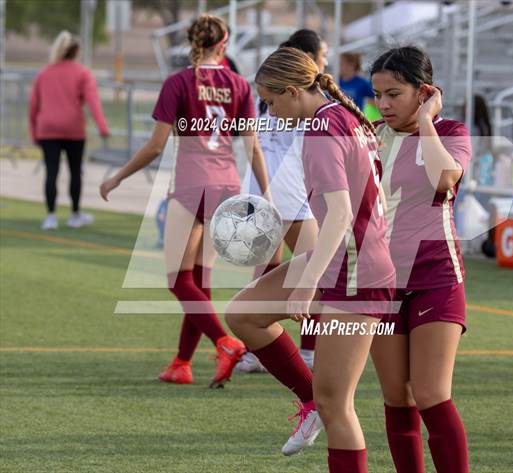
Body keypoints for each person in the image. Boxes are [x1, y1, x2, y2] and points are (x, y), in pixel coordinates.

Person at [224, 47, 395, 471]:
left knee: (338, 406)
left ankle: (317, 403)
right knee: (243, 313)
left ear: (292, 91)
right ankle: (308, 399)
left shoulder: (323, 128)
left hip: (356, 270)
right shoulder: (339, 116)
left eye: (270, 99)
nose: (268, 109)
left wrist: (307, 282)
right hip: (342, 258)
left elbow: (339, 213)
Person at [99, 14, 270, 387]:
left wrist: (117, 176)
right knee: (199, 279)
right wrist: (266, 194)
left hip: (192, 185)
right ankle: (181, 363)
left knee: (178, 280)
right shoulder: (240, 85)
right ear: (224, 45)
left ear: (192, 42)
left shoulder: (178, 82)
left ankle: (224, 341)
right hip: (226, 186)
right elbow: (252, 147)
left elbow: (157, 145)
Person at [369, 46, 472, 473]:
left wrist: (427, 121)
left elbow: (445, 181)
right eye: (378, 94)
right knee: (397, 397)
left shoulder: (451, 130)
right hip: (382, 282)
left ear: (423, 91)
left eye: (394, 93)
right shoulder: (370, 136)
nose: (384, 104)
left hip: (437, 276)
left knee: (431, 393)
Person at [236, 29, 327, 374]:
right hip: (288, 191)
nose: (325, 61)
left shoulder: (270, 89)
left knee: (265, 273)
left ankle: (256, 352)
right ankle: (307, 352)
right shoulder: (300, 95)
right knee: (313, 273)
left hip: (261, 190)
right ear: (308, 58)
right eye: (323, 54)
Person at [29, 31, 110, 230]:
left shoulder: (44, 73)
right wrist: (102, 127)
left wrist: (34, 133)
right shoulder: (83, 73)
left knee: (51, 172)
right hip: (73, 130)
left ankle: (50, 216)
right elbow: (93, 103)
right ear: (76, 52)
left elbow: (33, 106)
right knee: (75, 172)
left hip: (47, 130)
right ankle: (75, 215)